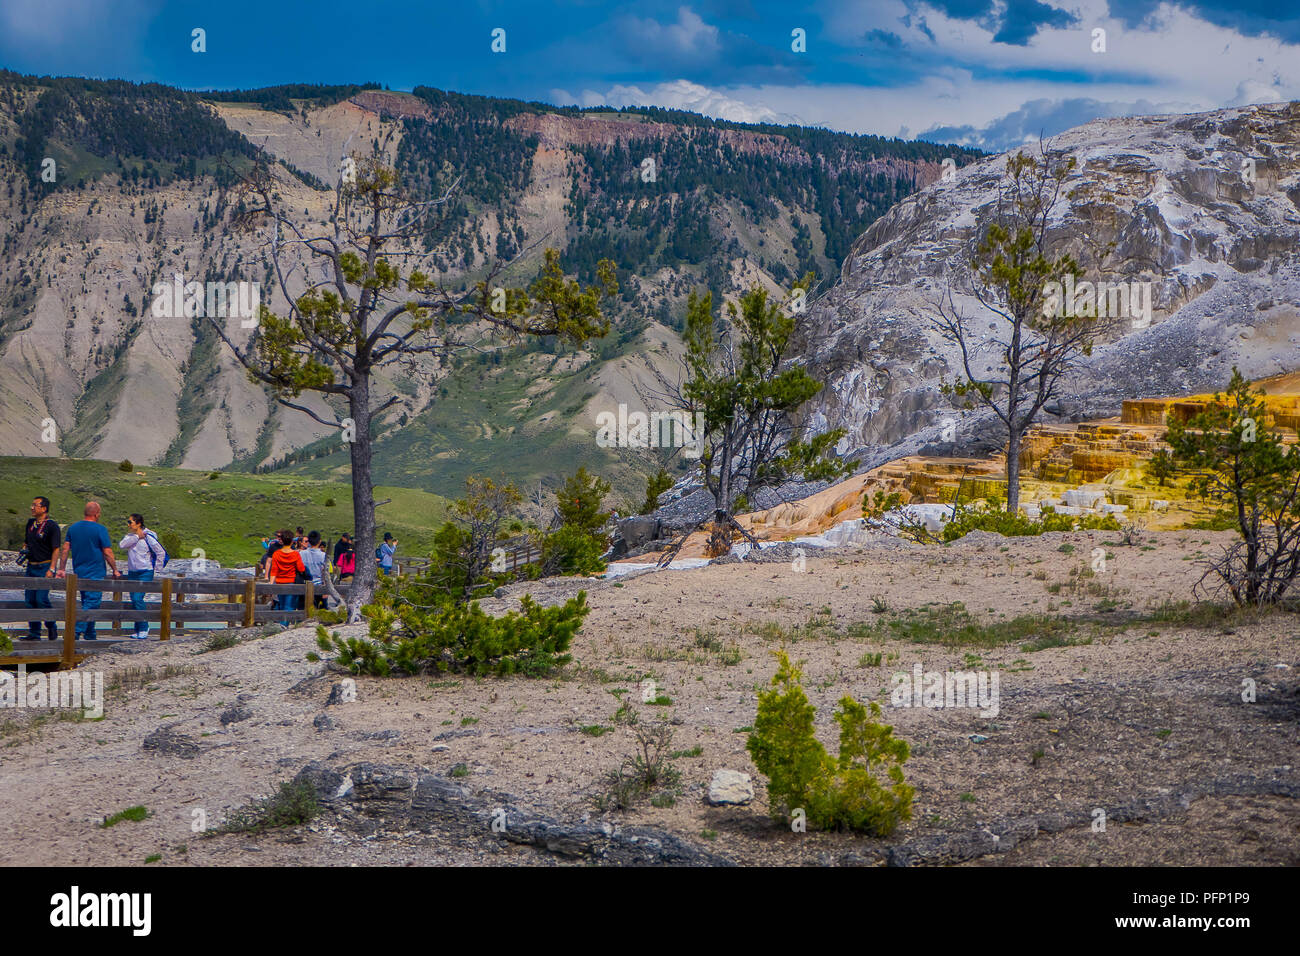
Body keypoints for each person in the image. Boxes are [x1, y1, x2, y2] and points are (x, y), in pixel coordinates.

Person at [56, 501, 120, 641]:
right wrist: (115, 569)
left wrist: (61, 568)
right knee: (92, 603)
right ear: (97, 514)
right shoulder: (100, 529)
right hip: (95, 572)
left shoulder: (73, 528)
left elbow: (65, 549)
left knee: (87, 602)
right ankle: (74, 633)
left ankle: (90, 635)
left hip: (79, 571)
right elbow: (107, 551)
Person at [119, 513, 165, 640]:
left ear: (138, 524)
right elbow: (122, 545)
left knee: (138, 598)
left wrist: (157, 569)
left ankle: (144, 627)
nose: (128, 525)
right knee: (134, 600)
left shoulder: (149, 536)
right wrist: (136, 538)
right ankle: (138, 629)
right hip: (132, 572)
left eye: (130, 522)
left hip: (145, 572)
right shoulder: (130, 536)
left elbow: (160, 552)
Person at [23, 496, 61, 641]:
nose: (32, 508)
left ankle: (51, 625)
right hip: (31, 566)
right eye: (32, 505)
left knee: (41, 599)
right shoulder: (30, 524)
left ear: (44, 508)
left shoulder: (52, 526)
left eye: (35, 505)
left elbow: (56, 548)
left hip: (44, 565)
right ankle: (34, 633)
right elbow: (26, 542)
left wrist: (52, 568)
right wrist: (24, 551)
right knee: (29, 600)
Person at [266, 529, 306, 624]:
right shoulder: (295, 554)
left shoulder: (276, 554)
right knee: (289, 606)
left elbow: (274, 570)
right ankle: (284, 625)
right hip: (291, 582)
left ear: (282, 541)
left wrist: (271, 584)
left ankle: (280, 625)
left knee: (281, 605)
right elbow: (301, 568)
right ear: (292, 541)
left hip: (279, 583)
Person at [301, 531, 328, 609]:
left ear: (308, 541)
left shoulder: (301, 554)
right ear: (319, 541)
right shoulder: (323, 556)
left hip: (305, 586)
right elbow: (325, 573)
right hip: (320, 586)